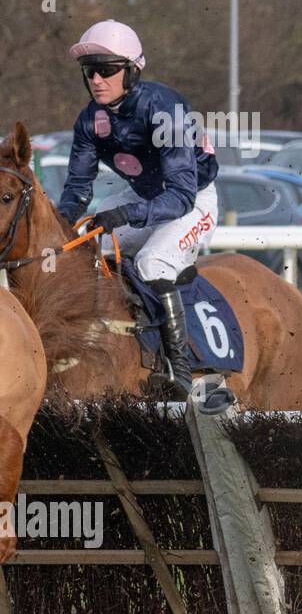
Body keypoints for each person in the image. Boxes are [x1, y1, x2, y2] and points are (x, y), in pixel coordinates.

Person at [58, 20, 219, 396]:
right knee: (84, 246)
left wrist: (126, 215)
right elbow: (77, 192)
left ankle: (179, 370)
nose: (97, 79)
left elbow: (181, 195)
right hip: (144, 197)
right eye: (89, 71)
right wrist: (57, 230)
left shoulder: (163, 108)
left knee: (153, 263)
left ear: (132, 71)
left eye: (107, 70)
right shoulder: (89, 120)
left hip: (194, 200)